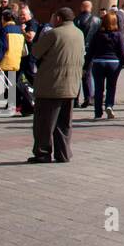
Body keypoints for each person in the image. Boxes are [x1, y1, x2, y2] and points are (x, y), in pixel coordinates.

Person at [29, 8, 84, 163]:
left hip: (51, 85)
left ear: (59, 18)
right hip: (71, 85)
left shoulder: (54, 33)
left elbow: (36, 52)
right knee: (64, 123)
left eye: (53, 17)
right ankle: (63, 153)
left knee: (45, 123)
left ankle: (43, 153)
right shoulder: (79, 33)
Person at [85, 11, 124, 119]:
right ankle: (109, 105)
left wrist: (85, 66)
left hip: (98, 62)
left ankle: (98, 112)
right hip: (113, 63)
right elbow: (122, 52)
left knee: (99, 88)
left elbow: (90, 51)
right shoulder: (118, 35)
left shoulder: (97, 34)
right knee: (111, 86)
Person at [0, 9, 25, 117]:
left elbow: (1, 46)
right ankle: (11, 107)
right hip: (15, 60)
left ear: (3, 18)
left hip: (3, 60)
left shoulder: (4, 30)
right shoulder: (19, 30)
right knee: (11, 84)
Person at [73, 1, 101, 108]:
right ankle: (88, 97)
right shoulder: (97, 20)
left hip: (77, 49)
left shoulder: (76, 20)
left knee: (76, 74)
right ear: (91, 8)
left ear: (81, 7)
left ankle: (75, 99)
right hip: (91, 50)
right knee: (88, 74)